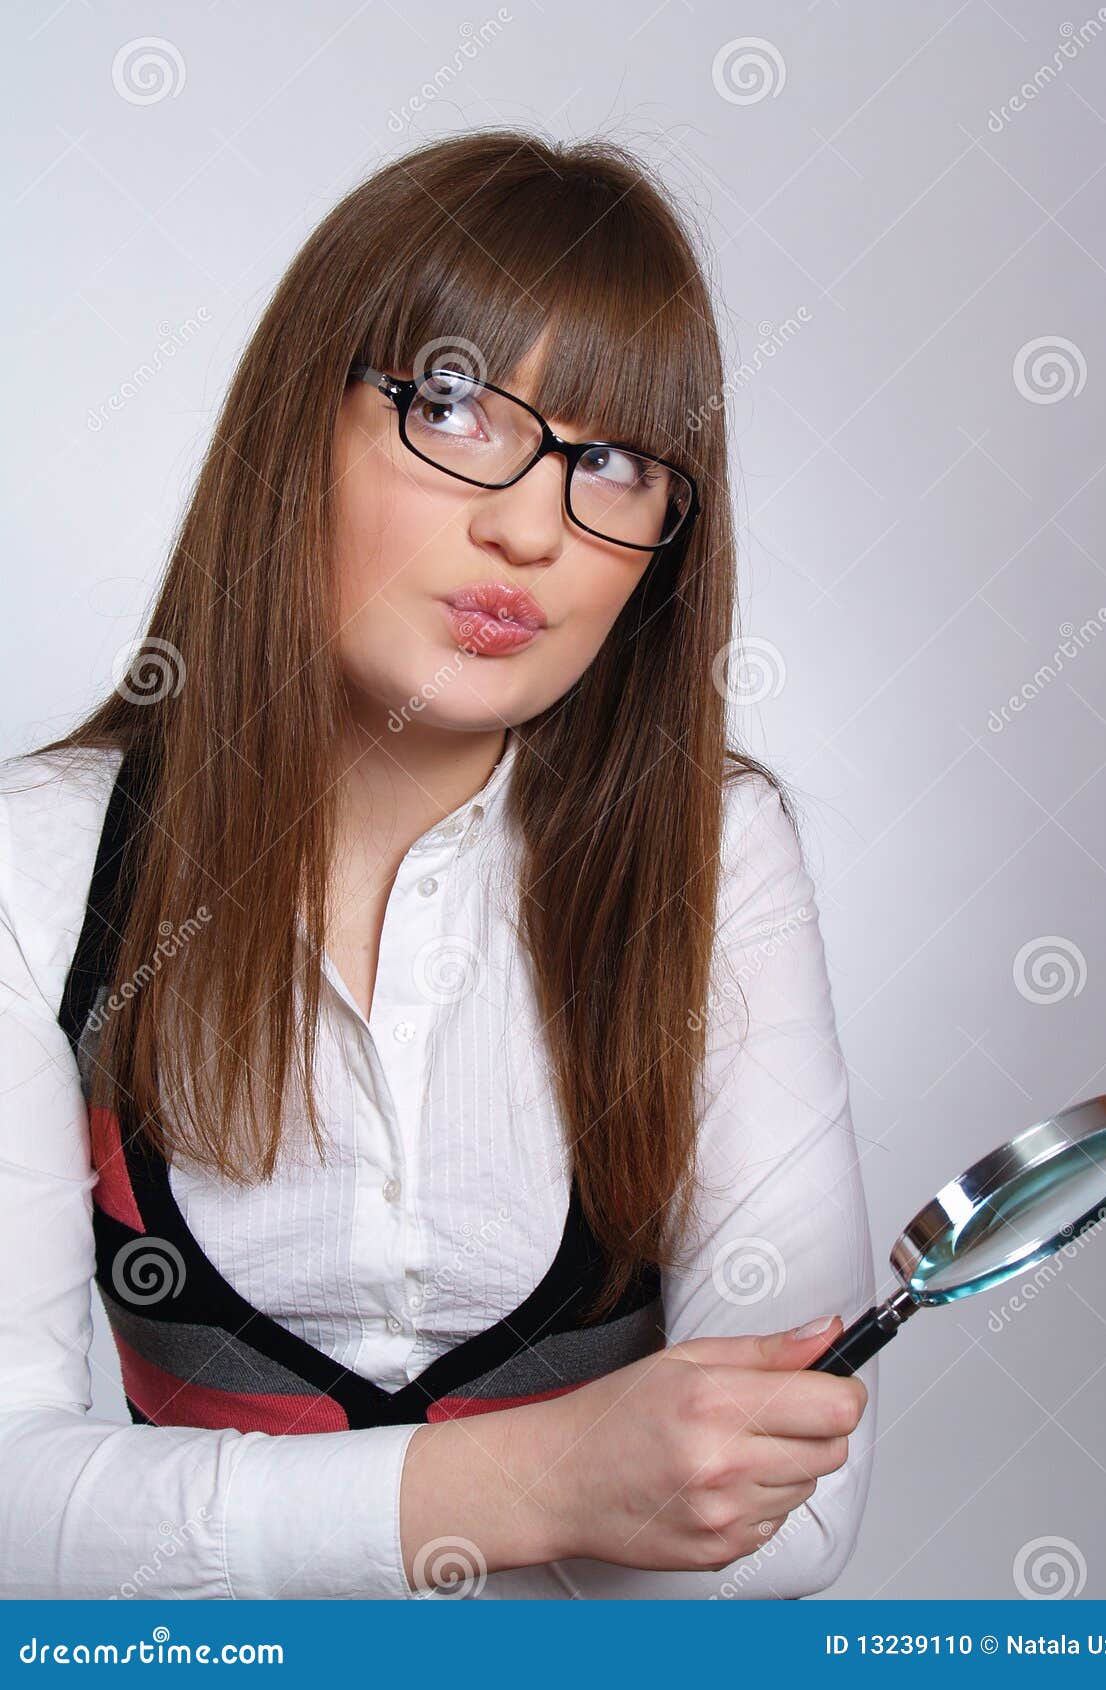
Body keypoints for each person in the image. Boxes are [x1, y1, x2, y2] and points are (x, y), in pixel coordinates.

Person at [0, 128, 875, 1600]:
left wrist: (187, 1531)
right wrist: (542, 1478)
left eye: (611, 461)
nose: (529, 524)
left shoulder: (718, 855)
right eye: (457, 404)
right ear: (301, 425)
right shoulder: (40, 863)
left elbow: (790, 1516)